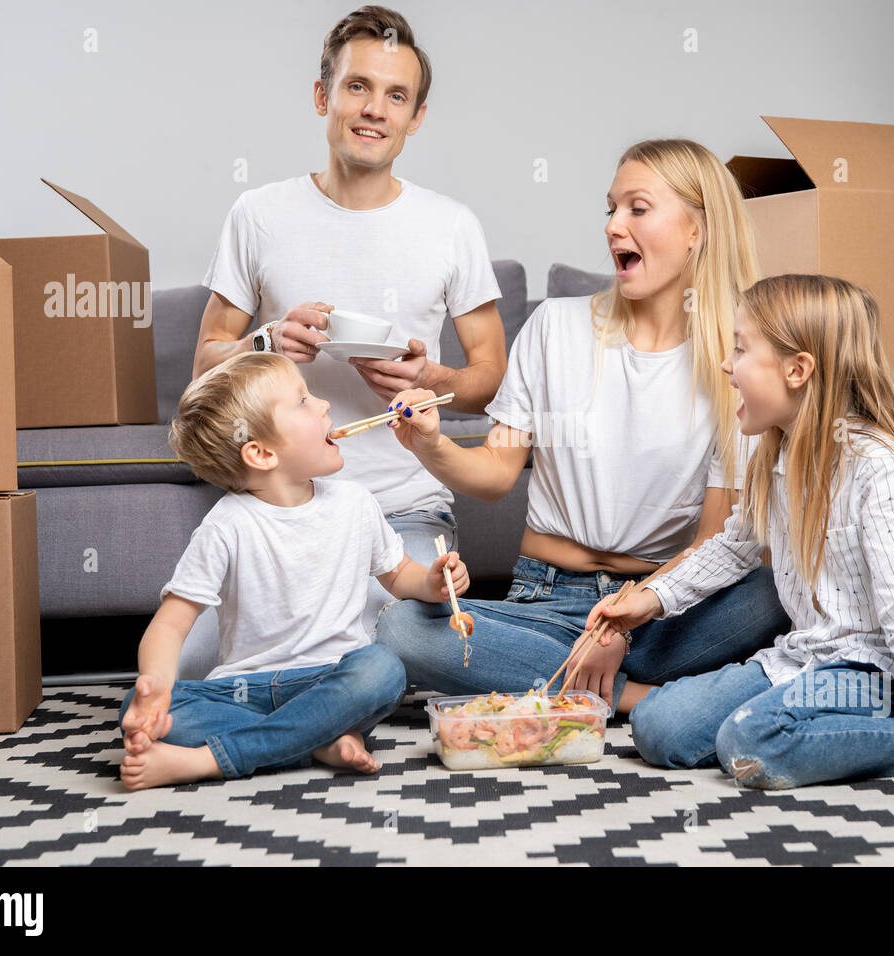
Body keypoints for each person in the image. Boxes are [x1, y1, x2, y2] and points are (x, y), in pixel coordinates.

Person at [377, 139, 791, 715]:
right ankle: (632, 697)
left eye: (637, 209)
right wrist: (432, 442)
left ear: (697, 229)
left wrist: (621, 624)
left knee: (773, 592)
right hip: (544, 599)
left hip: (657, 609)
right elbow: (496, 474)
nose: (613, 226)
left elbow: (713, 543)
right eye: (610, 209)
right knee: (401, 628)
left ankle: (570, 677)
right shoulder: (556, 327)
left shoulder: (733, 363)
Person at [586, 273, 894, 794]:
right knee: (657, 727)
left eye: (741, 349)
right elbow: (734, 548)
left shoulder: (877, 469)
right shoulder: (774, 454)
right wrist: (651, 599)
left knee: (751, 745)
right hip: (803, 661)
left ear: (797, 370)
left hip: (876, 675)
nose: (727, 366)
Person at [191, 5, 506, 638]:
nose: (374, 109)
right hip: (282, 503)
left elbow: (489, 378)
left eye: (397, 96)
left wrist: (430, 373)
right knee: (200, 670)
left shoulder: (451, 225)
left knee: (385, 642)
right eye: (357, 86)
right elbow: (205, 360)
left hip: (404, 510)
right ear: (322, 95)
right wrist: (267, 341)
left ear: (415, 118)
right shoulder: (259, 213)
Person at [118, 352, 469, 790]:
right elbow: (171, 626)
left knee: (381, 669)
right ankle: (314, 740)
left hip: (331, 679)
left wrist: (433, 582)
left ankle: (210, 760)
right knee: (138, 705)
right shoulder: (226, 526)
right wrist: (154, 686)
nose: (323, 405)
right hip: (243, 690)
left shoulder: (354, 502)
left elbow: (398, 575)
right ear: (261, 452)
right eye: (303, 401)